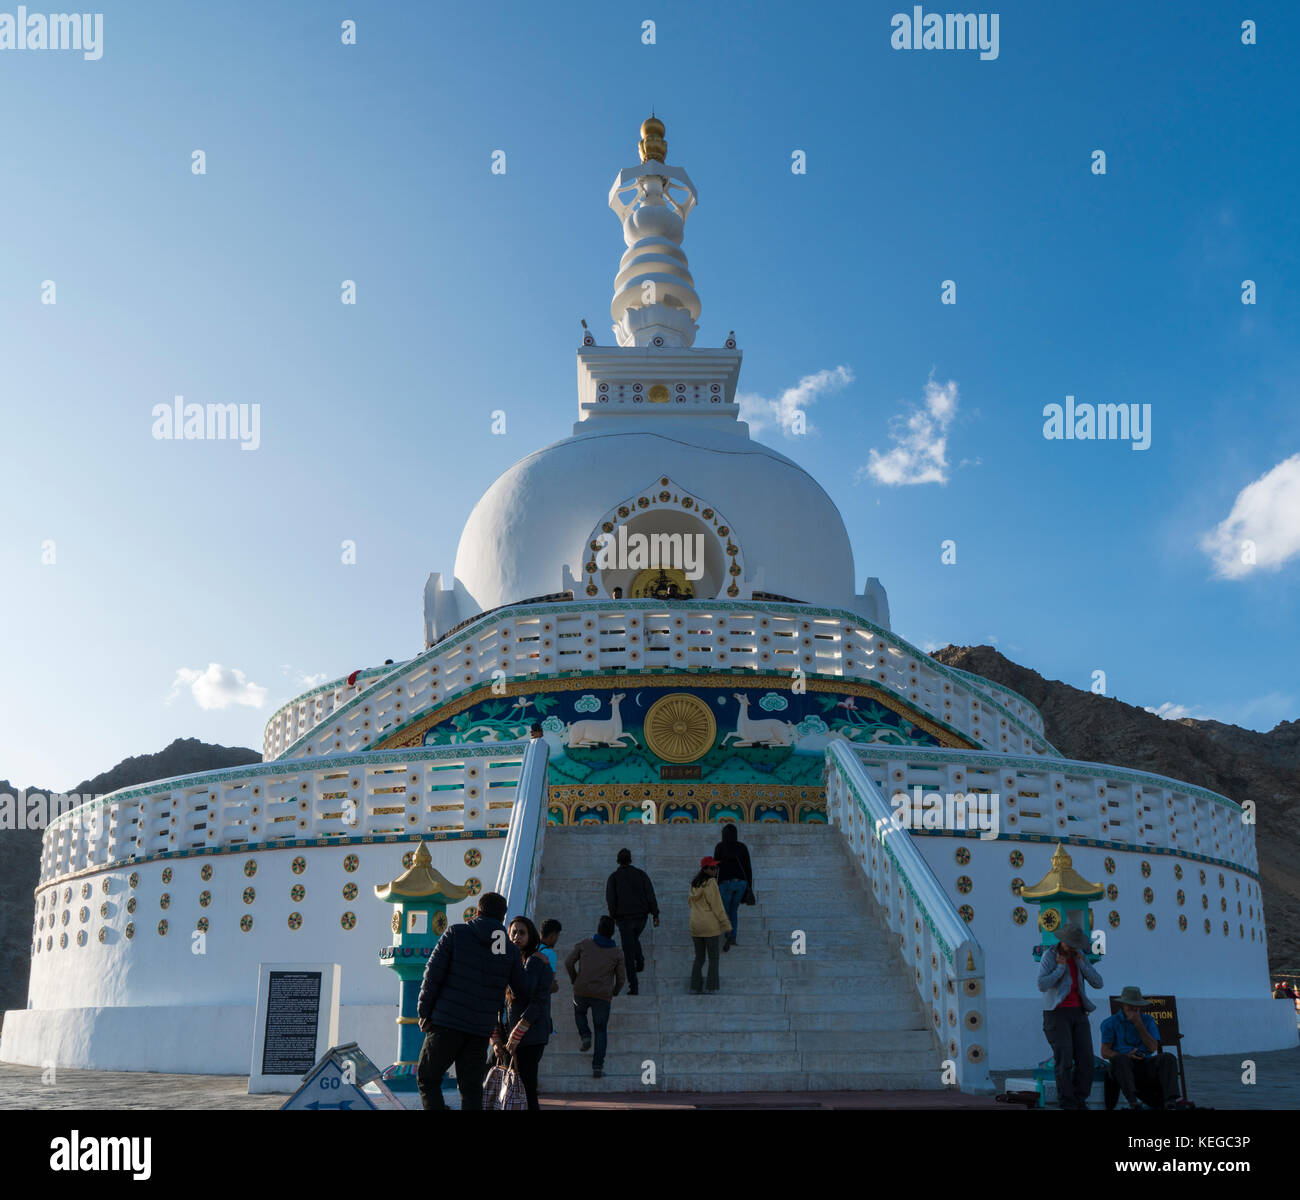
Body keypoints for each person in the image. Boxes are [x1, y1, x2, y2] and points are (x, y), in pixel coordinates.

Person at [415, 890, 530, 1111]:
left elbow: (432, 975)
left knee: (428, 1079)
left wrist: (424, 1012)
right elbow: (522, 989)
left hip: (446, 1023)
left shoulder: (456, 933)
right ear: (503, 918)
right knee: (471, 1090)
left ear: (477, 912)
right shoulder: (509, 949)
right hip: (480, 1029)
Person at [1037, 922, 1104, 1110]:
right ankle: (1067, 1102)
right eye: (1070, 944)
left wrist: (1082, 963)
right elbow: (1042, 984)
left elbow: (1098, 982)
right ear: (1063, 941)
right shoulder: (1049, 956)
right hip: (1056, 1013)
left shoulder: (1079, 957)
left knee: (1086, 1060)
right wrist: (1059, 968)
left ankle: (1079, 1099)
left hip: (1079, 1011)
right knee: (1064, 1059)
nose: (1073, 947)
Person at [491, 915, 553, 1112]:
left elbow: (536, 1001)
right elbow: (498, 1002)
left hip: (529, 1035)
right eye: (513, 933)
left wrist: (517, 1034)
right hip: (510, 1036)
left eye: (522, 932)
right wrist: (496, 1038)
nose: (517, 936)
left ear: (531, 935)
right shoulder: (510, 961)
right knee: (513, 1088)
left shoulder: (536, 962)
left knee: (526, 1088)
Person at [565, 915, 627, 1078]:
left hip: (581, 991)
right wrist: (615, 991)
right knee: (601, 1030)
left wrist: (574, 979)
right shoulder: (617, 953)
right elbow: (621, 978)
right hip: (602, 995)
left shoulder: (584, 944)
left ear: (598, 929)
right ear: (612, 933)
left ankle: (585, 1035)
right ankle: (597, 1067)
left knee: (579, 1013)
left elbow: (568, 962)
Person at [1099, 985, 1179, 1110]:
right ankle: (1133, 1101)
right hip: (1122, 1065)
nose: (1133, 1008)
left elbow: (1153, 1047)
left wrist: (1139, 1024)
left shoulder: (1148, 1020)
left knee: (1168, 1058)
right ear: (1123, 1005)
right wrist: (1125, 1056)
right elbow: (1104, 1052)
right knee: (1121, 1060)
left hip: (1144, 1063)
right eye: (1130, 1005)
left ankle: (1170, 1100)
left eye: (1136, 1005)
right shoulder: (1110, 1023)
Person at [605, 848, 660, 995]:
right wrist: (655, 914)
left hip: (624, 919)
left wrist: (613, 916)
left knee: (628, 953)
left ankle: (633, 986)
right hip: (641, 918)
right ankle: (640, 961)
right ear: (630, 859)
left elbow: (610, 899)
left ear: (618, 861)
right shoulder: (641, 874)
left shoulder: (614, 877)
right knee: (634, 938)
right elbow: (650, 894)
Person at [688, 857, 732, 994]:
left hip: (696, 925)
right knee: (713, 958)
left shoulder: (694, 884)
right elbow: (717, 906)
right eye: (712, 868)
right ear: (705, 869)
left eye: (715, 867)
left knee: (699, 958)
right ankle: (711, 987)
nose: (715, 870)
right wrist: (726, 924)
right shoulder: (711, 883)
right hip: (710, 926)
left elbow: (691, 903)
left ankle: (695, 987)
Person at [713, 823, 753, 951]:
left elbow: (715, 867)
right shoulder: (742, 847)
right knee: (733, 910)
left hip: (726, 883)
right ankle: (732, 936)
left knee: (725, 910)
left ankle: (728, 933)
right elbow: (748, 869)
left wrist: (713, 884)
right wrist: (749, 887)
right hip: (741, 884)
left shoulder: (720, 847)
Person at [539, 918, 562, 993]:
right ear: (552, 935)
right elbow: (550, 983)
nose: (557, 939)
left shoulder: (531, 947)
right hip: (540, 998)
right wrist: (555, 986)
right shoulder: (550, 953)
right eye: (557, 936)